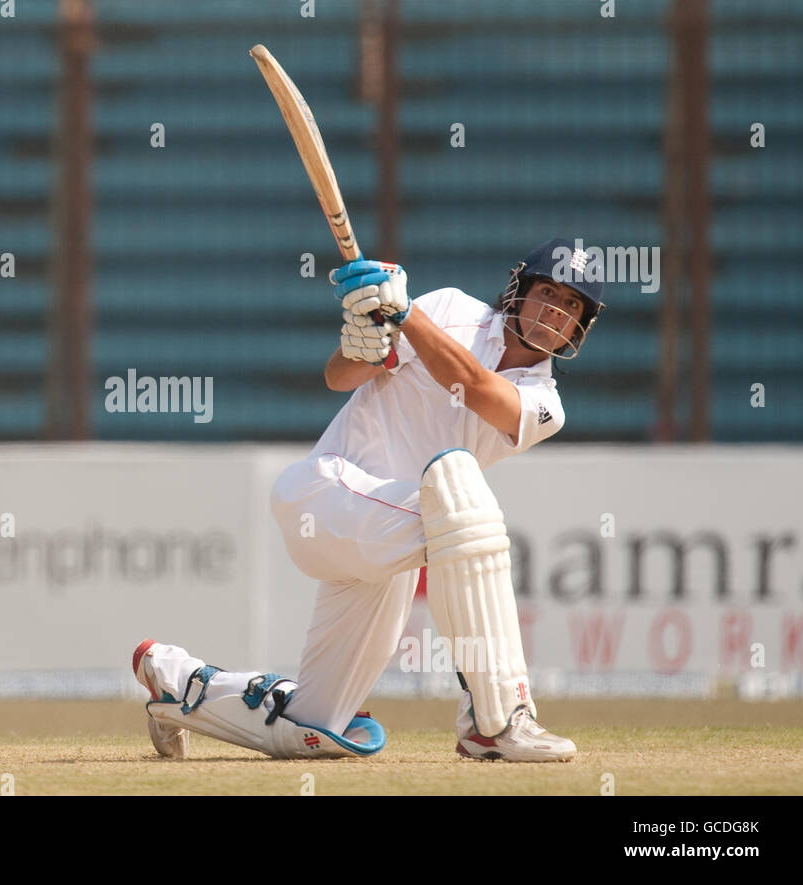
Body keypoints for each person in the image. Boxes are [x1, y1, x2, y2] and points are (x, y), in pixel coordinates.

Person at [133, 238, 605, 761]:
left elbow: (472, 385)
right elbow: (338, 377)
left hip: (388, 547)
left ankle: (174, 679)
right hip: (326, 493)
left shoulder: (546, 405)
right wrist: (365, 346)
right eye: (548, 291)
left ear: (580, 327)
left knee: (312, 728)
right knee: (464, 500)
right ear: (519, 291)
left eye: (571, 305)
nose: (554, 311)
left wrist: (405, 316)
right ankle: (497, 721)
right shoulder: (449, 308)